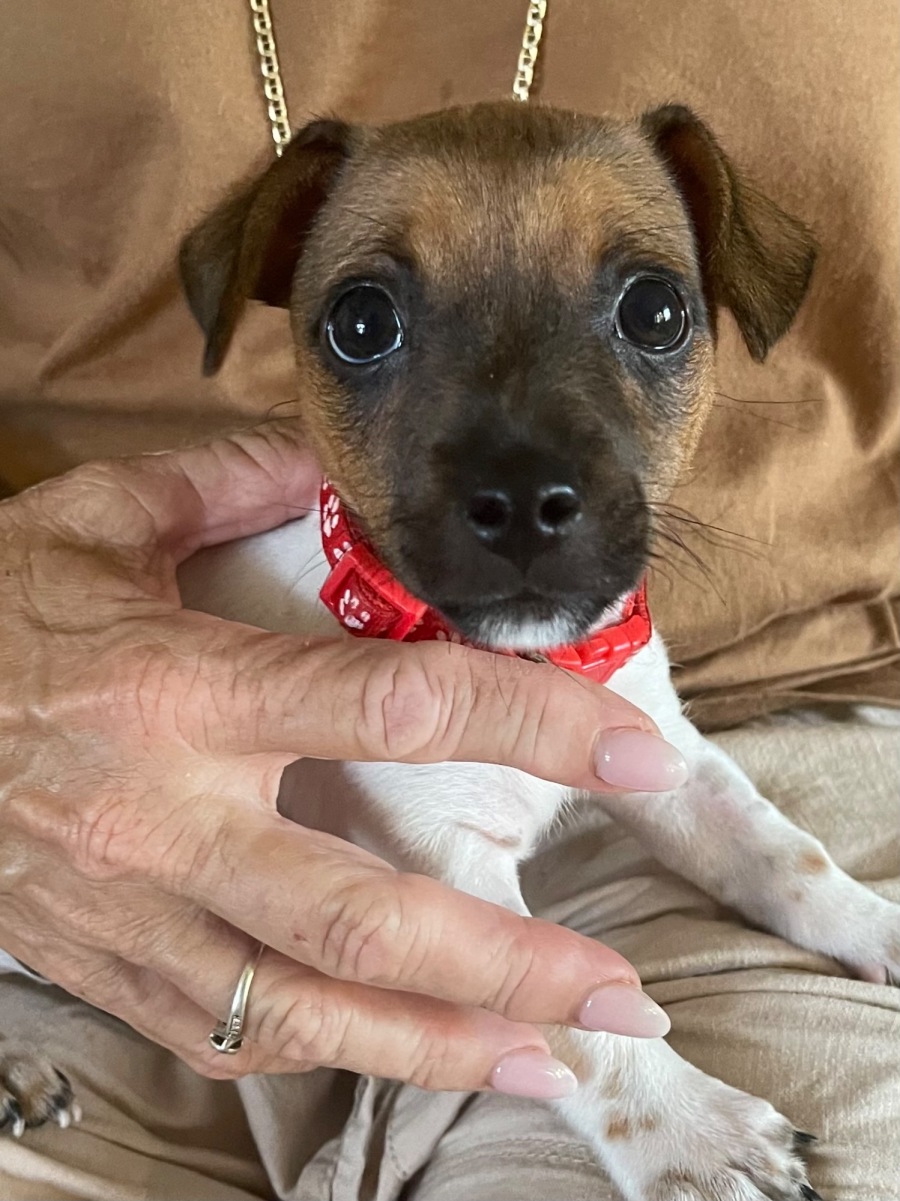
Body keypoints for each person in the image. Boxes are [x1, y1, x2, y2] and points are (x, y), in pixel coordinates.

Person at [1, 2, 898, 1199]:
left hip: (801, 715)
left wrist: (853, 918)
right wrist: (649, 1103)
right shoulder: (303, 608)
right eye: (371, 325)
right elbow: (457, 890)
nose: (523, 479)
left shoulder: (614, 627)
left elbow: (673, 770)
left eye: (648, 313)